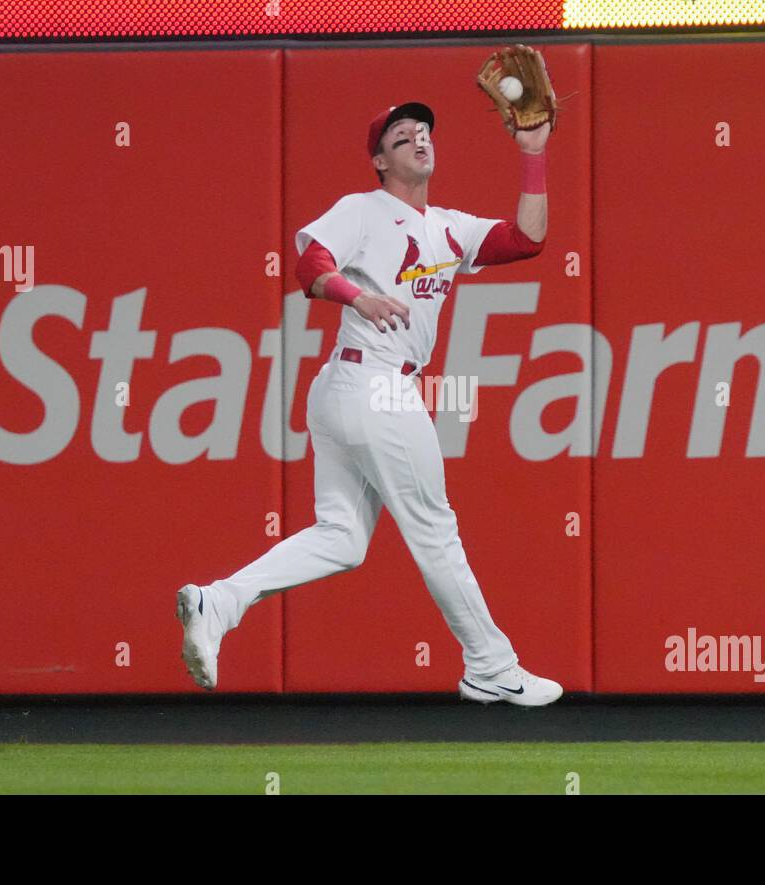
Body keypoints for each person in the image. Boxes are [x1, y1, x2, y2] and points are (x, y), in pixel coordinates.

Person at [177, 101, 561, 706]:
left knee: (342, 539)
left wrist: (533, 154)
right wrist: (357, 298)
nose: (418, 138)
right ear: (380, 160)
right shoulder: (363, 209)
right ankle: (492, 663)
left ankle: (219, 601)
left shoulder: (449, 227)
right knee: (435, 530)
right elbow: (309, 264)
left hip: (351, 389)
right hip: (372, 382)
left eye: (424, 131)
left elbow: (527, 240)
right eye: (401, 135)